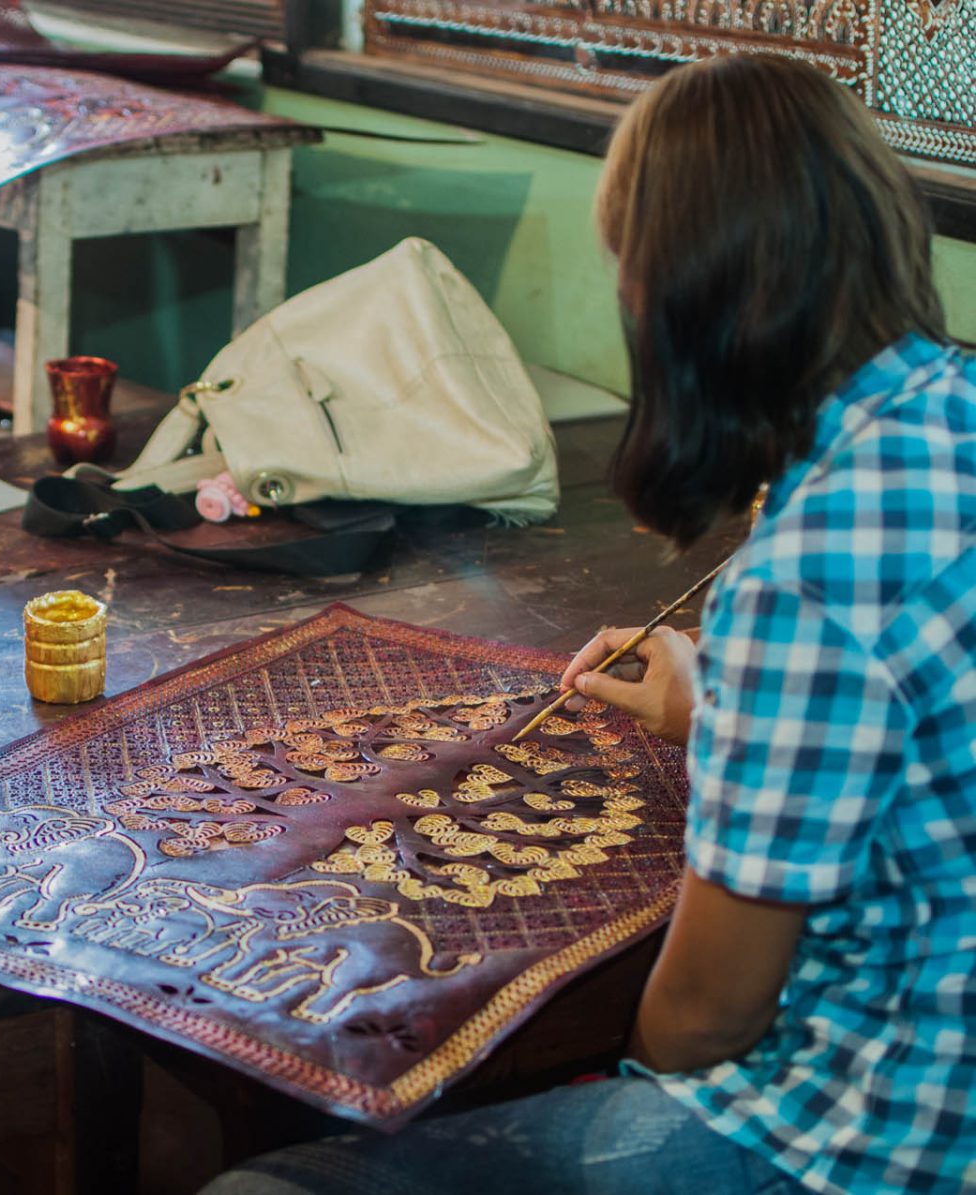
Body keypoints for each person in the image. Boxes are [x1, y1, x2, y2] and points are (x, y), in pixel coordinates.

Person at [202, 53, 975, 1195]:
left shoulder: (804, 575)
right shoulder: (949, 411)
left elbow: (709, 1013)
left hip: (873, 1140)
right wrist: (719, 705)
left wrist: (616, 1096)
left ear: (680, 299)